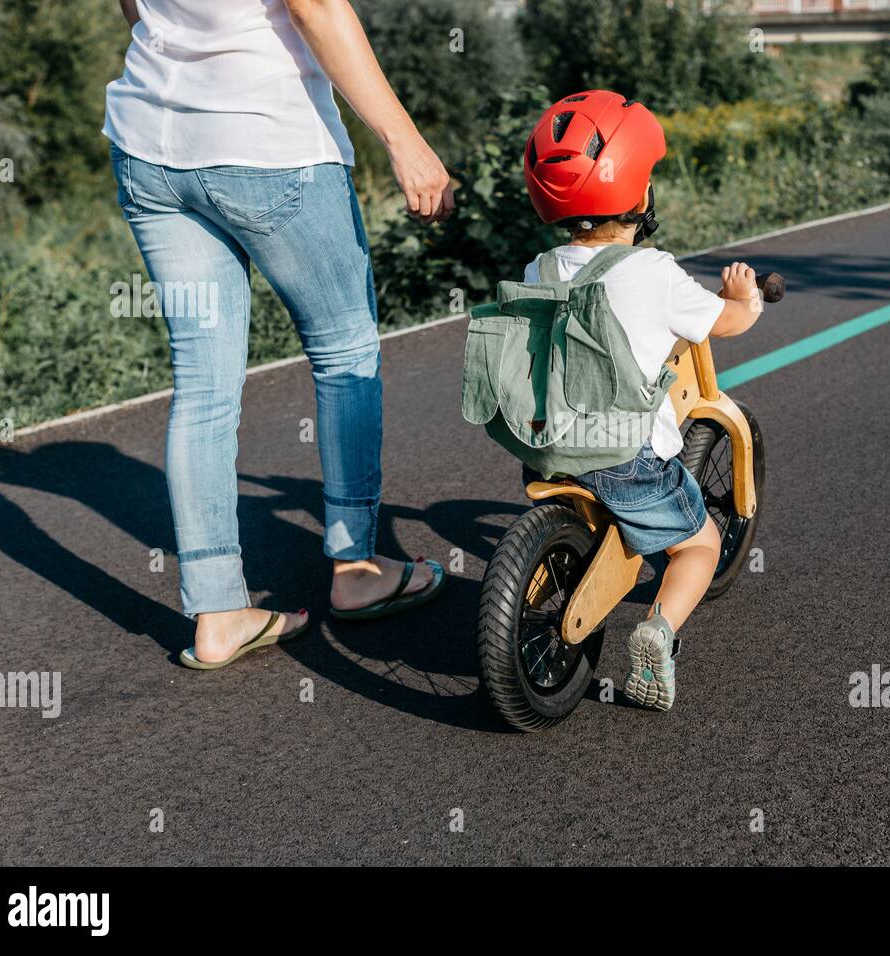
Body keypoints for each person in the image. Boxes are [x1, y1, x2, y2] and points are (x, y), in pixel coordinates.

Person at [103, 0, 451, 669]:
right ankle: (355, 568)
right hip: (266, 142)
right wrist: (406, 142)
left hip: (149, 144)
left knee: (202, 384)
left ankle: (217, 612)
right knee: (344, 350)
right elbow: (314, 5)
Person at [518, 90, 763, 711]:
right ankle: (658, 633)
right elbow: (724, 323)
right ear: (637, 192)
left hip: (546, 447)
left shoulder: (538, 268)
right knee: (699, 543)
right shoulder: (653, 273)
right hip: (623, 457)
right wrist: (746, 297)